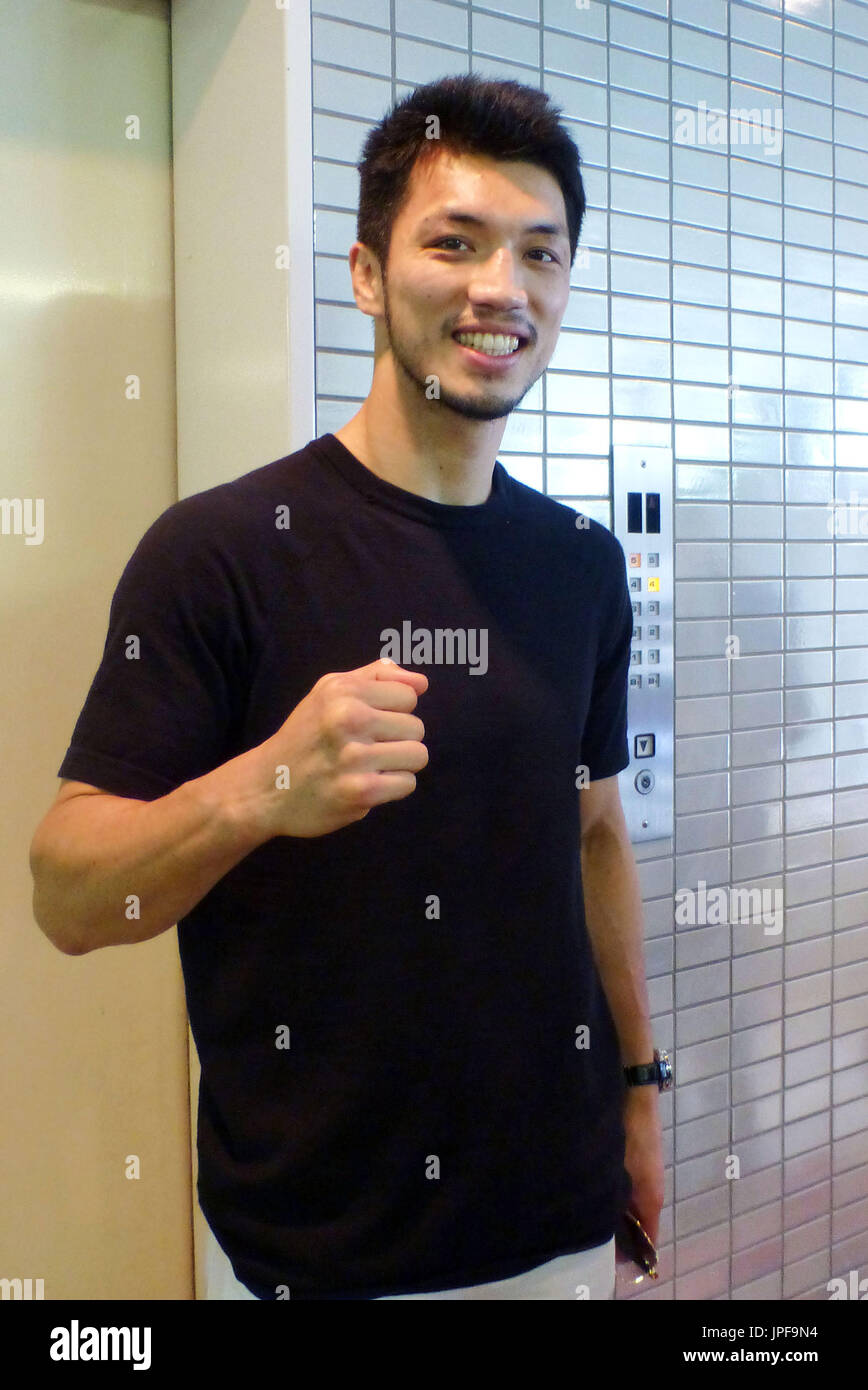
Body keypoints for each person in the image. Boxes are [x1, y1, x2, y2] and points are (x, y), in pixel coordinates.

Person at [29, 73, 664, 1301]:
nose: (501, 288)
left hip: (564, 1223)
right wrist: (266, 786)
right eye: (455, 242)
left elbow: (594, 834)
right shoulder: (220, 551)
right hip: (317, 1256)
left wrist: (639, 1092)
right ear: (368, 274)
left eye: (541, 252)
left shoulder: (579, 564)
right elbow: (67, 895)